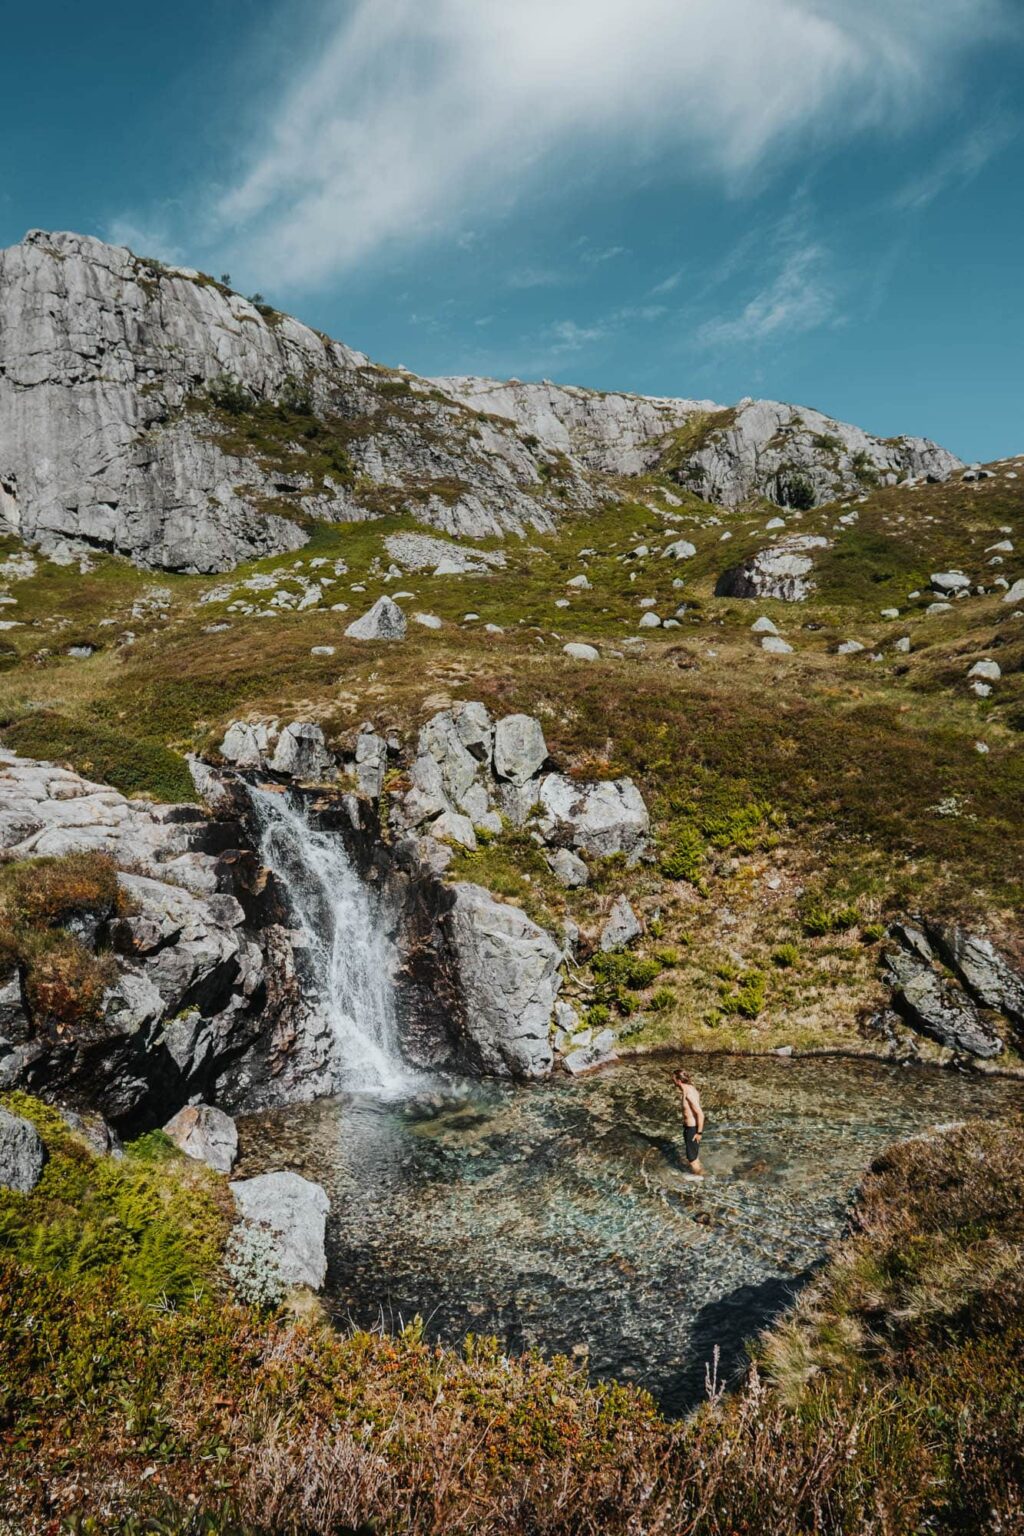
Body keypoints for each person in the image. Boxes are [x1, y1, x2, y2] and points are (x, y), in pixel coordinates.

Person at [671, 1068, 705, 1175]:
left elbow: (700, 1114)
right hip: (690, 1128)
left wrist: (699, 1133)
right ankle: (701, 1172)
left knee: (692, 1159)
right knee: (694, 1156)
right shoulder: (691, 1089)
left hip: (692, 1130)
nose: (672, 1081)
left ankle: (701, 1178)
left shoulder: (689, 1094)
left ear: (678, 1081)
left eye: (673, 1079)